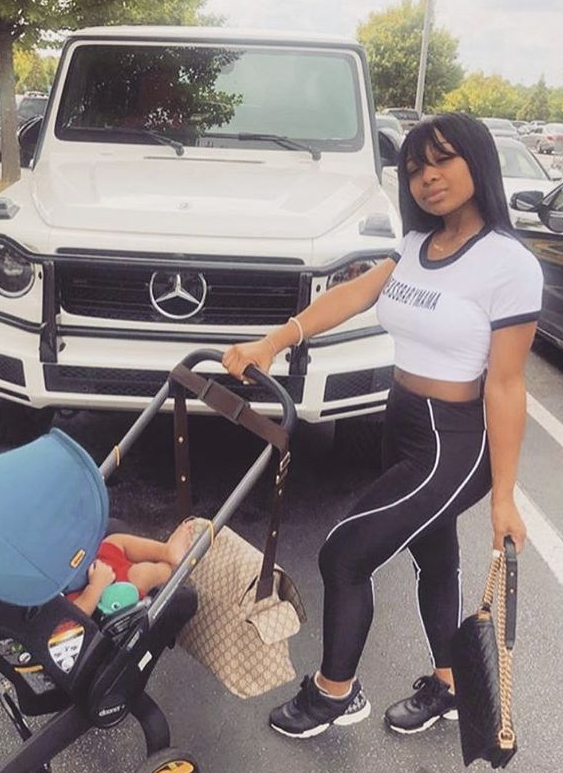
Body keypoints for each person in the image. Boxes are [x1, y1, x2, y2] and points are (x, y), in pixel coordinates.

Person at [222, 112, 542, 739]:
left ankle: (334, 693)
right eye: (416, 168)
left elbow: (505, 385)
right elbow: (353, 294)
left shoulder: (509, 264)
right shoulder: (416, 247)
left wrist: (504, 497)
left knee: (343, 554)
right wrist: (275, 340)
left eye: (443, 160)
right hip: (402, 423)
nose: (428, 178)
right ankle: (450, 686)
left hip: (455, 440)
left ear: (477, 162)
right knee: (434, 555)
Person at [70, 521, 194, 616]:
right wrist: (95, 587)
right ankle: (169, 569)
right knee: (140, 574)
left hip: (83, 567)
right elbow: (76, 616)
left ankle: (167, 552)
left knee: (114, 540)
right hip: (97, 597)